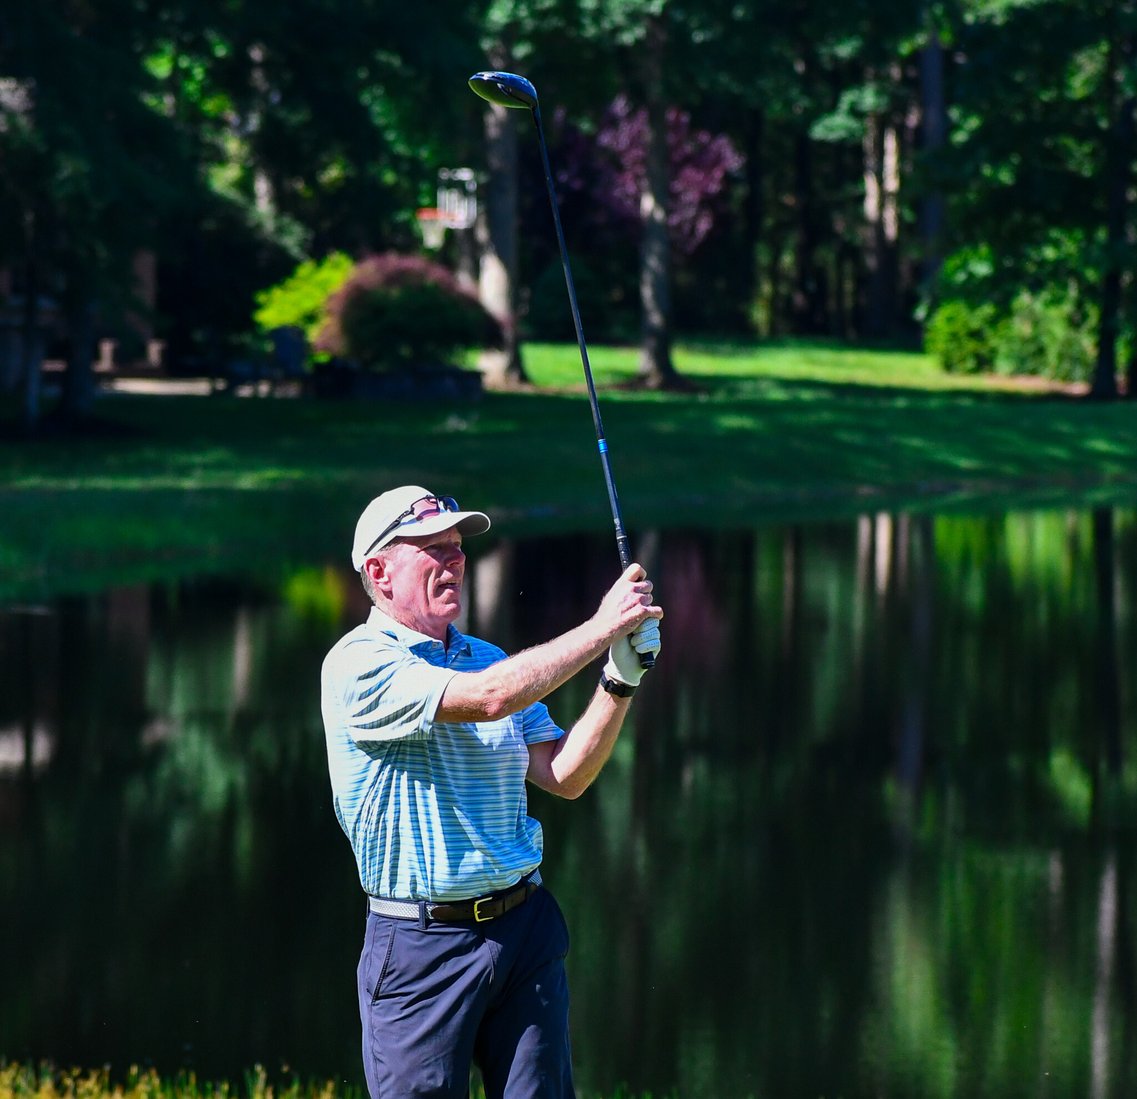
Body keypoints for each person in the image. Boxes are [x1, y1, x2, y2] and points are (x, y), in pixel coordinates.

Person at [320, 485, 663, 1099]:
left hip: (523, 930)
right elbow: (490, 700)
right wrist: (603, 626)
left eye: (457, 548)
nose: (454, 560)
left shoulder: (486, 656)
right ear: (379, 571)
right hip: (422, 949)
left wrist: (618, 678)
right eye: (433, 548)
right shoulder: (358, 663)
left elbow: (566, 776)